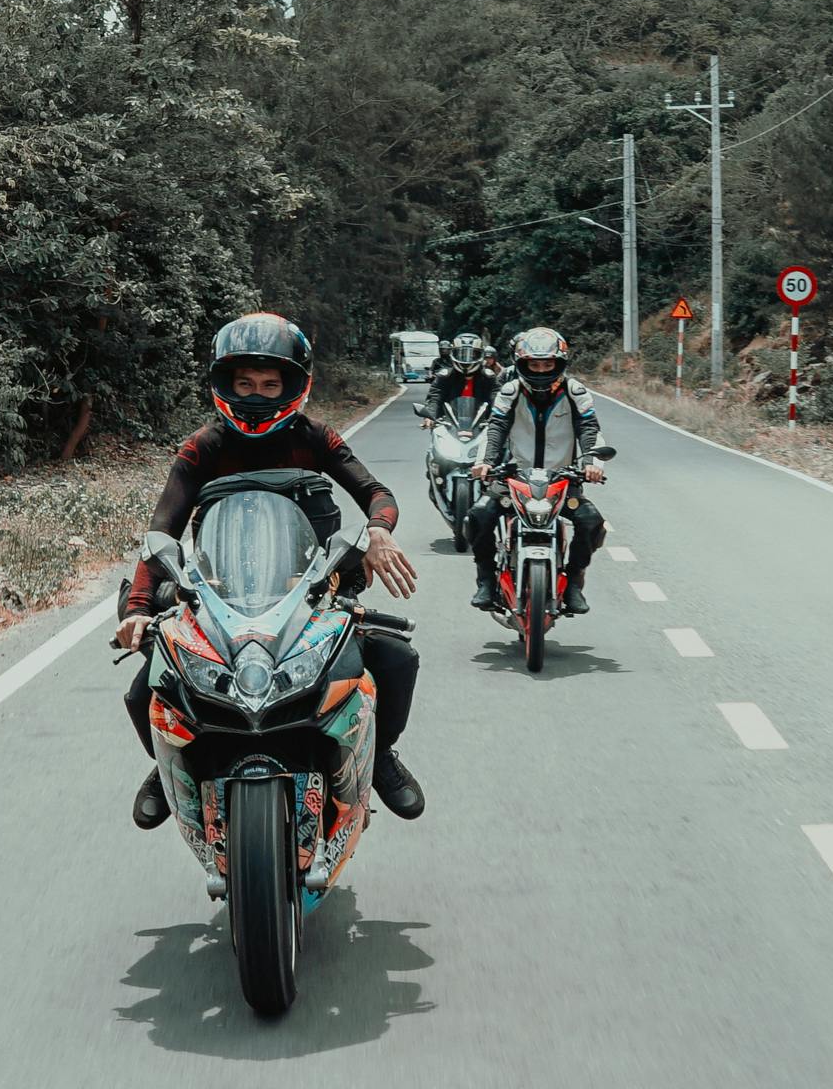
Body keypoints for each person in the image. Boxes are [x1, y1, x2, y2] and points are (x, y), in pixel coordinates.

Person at [116, 312, 428, 825]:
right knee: (145, 688)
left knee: (396, 660)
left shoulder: (315, 437)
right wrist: (137, 609)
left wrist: (378, 530)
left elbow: (376, 492)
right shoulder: (203, 446)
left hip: (315, 594)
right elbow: (162, 535)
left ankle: (379, 756)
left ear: (293, 385)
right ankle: (170, 766)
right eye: (245, 383)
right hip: (219, 599)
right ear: (225, 383)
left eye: (269, 384)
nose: (256, 395)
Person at [467, 326, 609, 613]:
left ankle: (574, 582)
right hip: (515, 477)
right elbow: (496, 428)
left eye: (547, 364)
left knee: (592, 522)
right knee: (478, 516)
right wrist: (485, 463)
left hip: (563, 480)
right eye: (534, 364)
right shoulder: (510, 391)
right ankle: (486, 580)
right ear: (522, 364)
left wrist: (591, 464)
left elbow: (589, 429)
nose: (542, 371)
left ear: (559, 363)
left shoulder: (575, 391)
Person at [423, 332, 499, 421]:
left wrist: (496, 418)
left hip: (483, 424)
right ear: (453, 354)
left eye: (472, 354)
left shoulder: (488, 377)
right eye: (462, 354)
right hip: (448, 424)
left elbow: (497, 399)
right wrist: (430, 416)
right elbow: (435, 397)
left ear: (480, 355)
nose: (467, 359)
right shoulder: (444, 376)